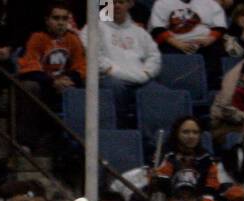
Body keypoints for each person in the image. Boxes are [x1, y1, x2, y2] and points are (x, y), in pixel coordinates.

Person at [16, 2, 86, 154]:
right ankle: (25, 143)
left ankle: (73, 147)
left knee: (81, 90)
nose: (60, 22)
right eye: (56, 18)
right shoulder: (37, 38)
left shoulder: (73, 40)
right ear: (47, 20)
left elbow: (80, 66)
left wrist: (68, 79)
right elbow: (29, 66)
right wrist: (53, 81)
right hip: (43, 85)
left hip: (63, 87)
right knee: (29, 86)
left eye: (64, 18)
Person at [81, 0, 161, 129]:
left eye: (121, 2)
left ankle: (152, 138)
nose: (116, 5)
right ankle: (120, 132)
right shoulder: (94, 26)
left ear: (130, 4)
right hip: (109, 76)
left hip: (139, 78)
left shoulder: (139, 31)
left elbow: (154, 56)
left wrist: (147, 73)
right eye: (113, 2)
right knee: (114, 86)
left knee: (159, 92)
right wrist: (110, 69)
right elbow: (92, 53)